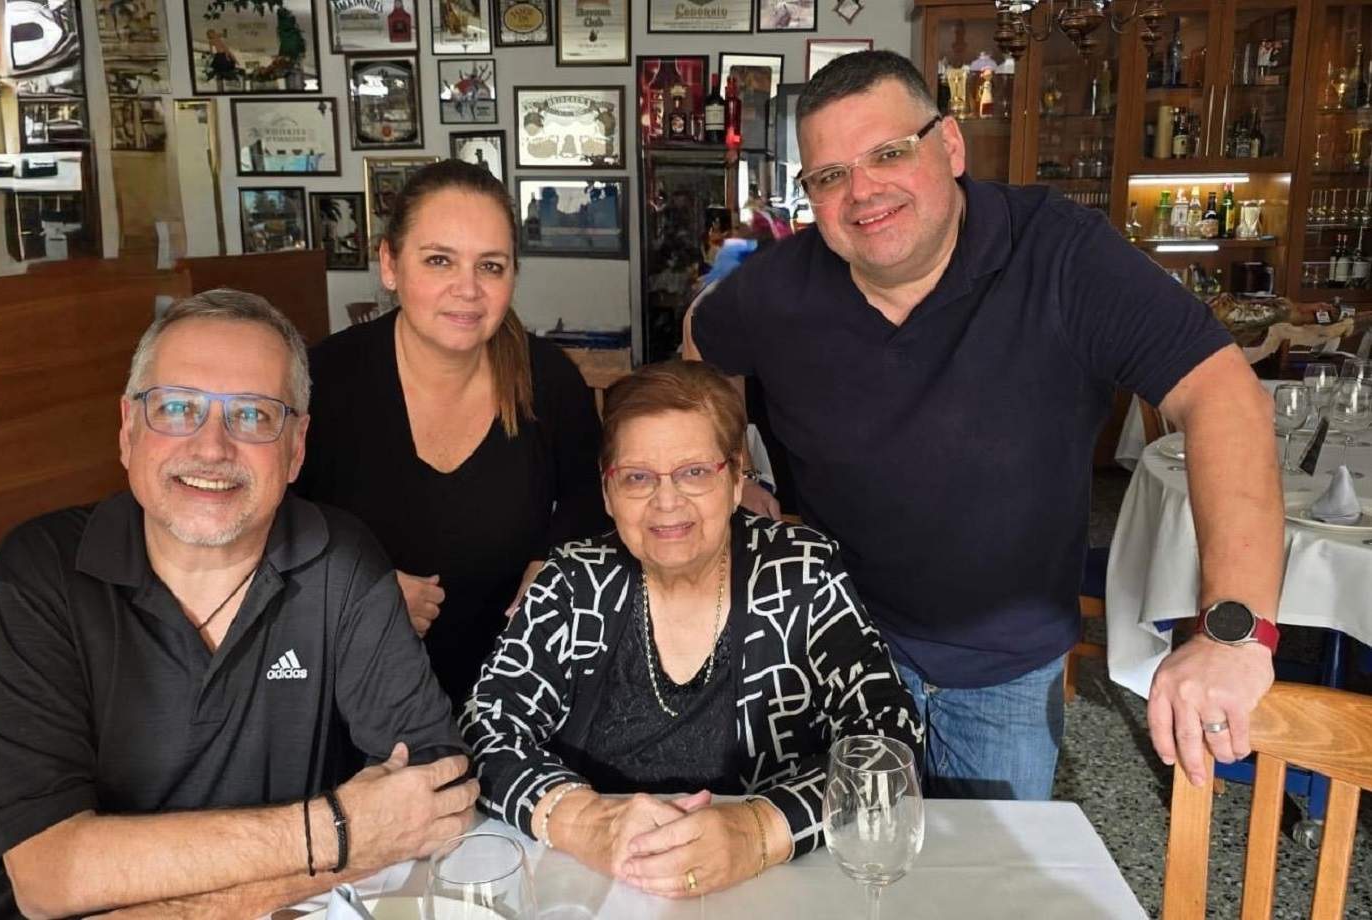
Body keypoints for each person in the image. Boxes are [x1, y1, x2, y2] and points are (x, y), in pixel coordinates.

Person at [685, 50, 1282, 800]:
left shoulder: (1061, 254)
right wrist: (733, 470)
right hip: (842, 645)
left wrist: (1234, 633)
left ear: (951, 146)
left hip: (1007, 668)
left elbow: (1225, 395)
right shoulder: (779, 285)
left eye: (889, 154)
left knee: (987, 887)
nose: (862, 192)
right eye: (830, 176)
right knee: (849, 867)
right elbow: (700, 351)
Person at [0, 291, 477, 919]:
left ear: (297, 448)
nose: (211, 448)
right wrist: (334, 832)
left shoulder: (340, 557)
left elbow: (440, 795)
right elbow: (47, 875)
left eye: (252, 417)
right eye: (177, 408)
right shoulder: (39, 572)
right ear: (127, 430)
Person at [461, 361, 922, 898]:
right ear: (608, 494)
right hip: (596, 886)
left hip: (775, 886)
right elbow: (484, 729)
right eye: (637, 477)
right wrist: (589, 823)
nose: (667, 500)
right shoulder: (573, 581)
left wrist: (757, 832)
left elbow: (889, 740)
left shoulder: (801, 571)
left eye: (694, 472)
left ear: (734, 479)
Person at [297, 160, 607, 707]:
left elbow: (590, 497)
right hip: (354, 695)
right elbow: (269, 530)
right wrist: (353, 593)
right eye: (439, 260)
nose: (467, 289)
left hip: (517, 696)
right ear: (389, 264)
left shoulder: (548, 379)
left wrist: (554, 563)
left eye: (490, 266)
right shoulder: (322, 382)